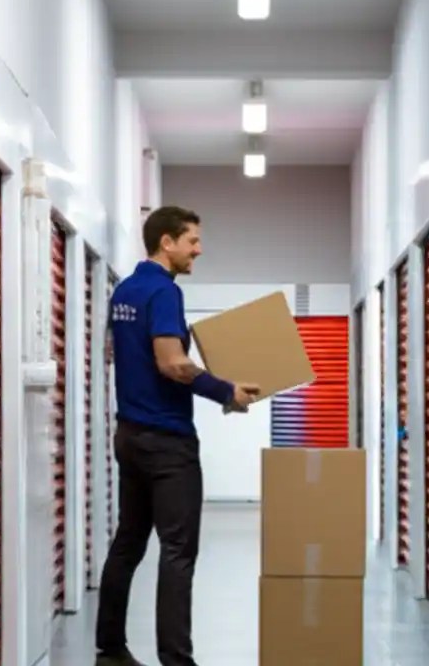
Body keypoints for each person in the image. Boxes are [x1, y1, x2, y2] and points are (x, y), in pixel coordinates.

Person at [95, 206, 260, 666]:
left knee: (129, 541)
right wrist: (225, 390)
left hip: (129, 433)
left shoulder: (125, 290)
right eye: (192, 241)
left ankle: (109, 650)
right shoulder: (164, 292)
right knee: (178, 551)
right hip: (168, 442)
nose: (198, 250)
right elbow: (172, 363)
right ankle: (176, 660)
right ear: (166, 243)